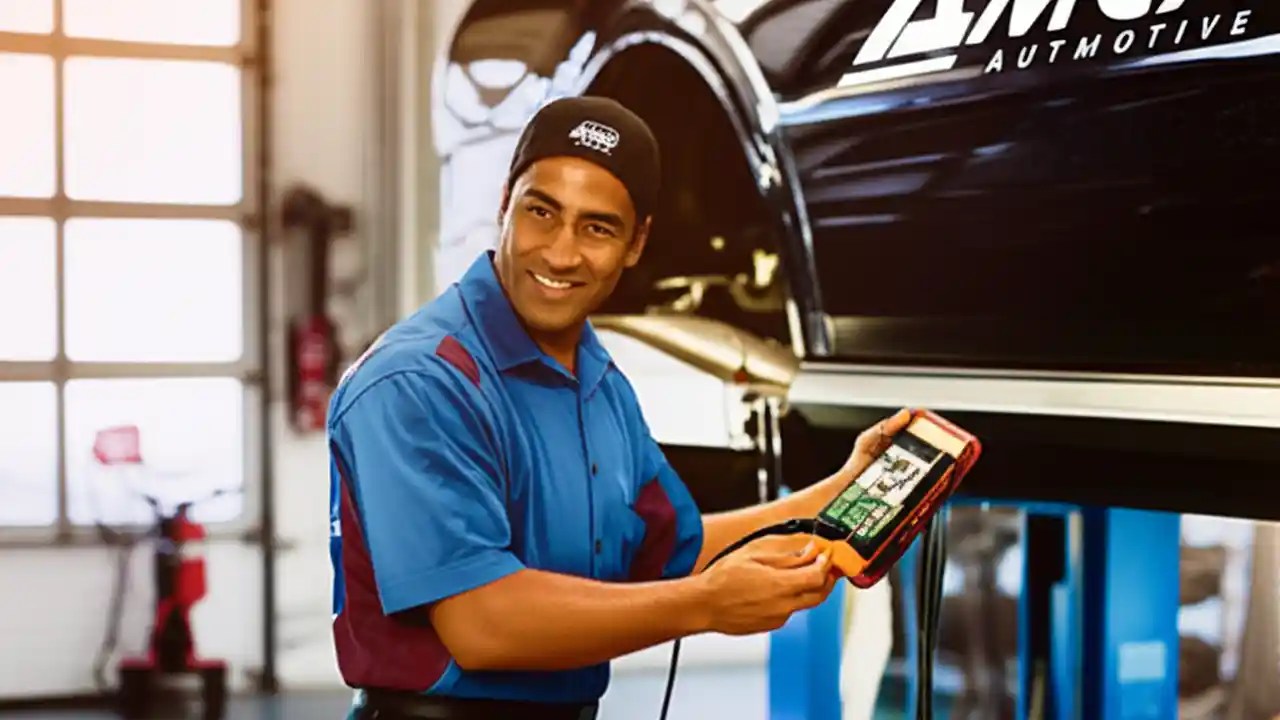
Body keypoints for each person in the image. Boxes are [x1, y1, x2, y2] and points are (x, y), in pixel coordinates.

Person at [326, 95, 912, 720]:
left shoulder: (596, 379)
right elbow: (483, 622)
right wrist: (706, 605)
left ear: (637, 243)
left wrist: (832, 500)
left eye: (597, 227)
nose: (559, 252)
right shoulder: (420, 381)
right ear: (504, 205)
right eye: (540, 212)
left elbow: (666, 549)